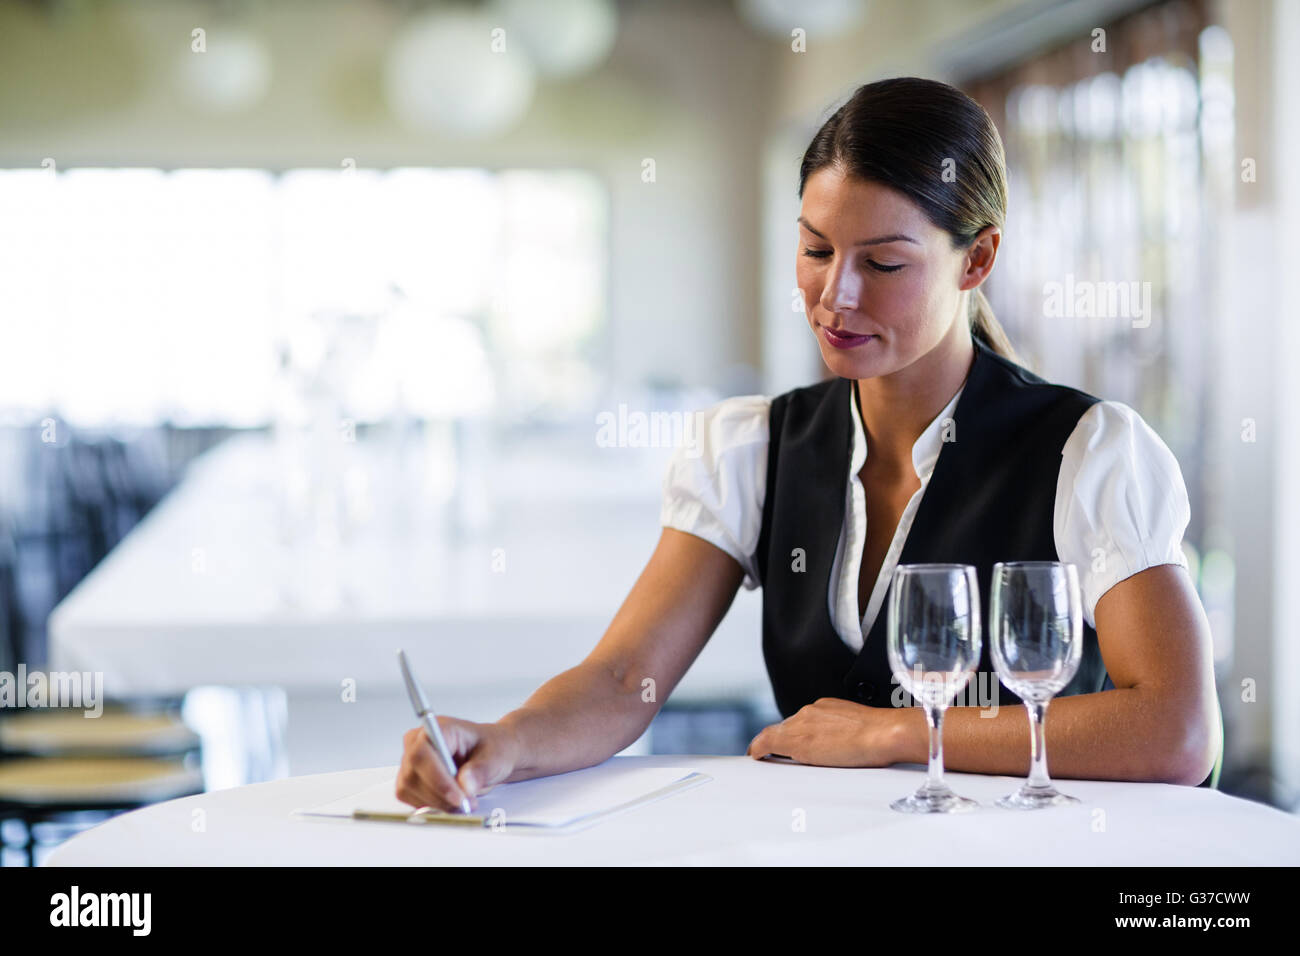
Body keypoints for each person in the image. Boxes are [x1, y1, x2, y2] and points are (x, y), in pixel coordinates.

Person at [396, 77, 1221, 812]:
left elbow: (1177, 729)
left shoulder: (1089, 451)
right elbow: (623, 680)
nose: (835, 296)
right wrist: (505, 744)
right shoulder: (754, 446)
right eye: (816, 250)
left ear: (978, 258)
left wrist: (892, 735)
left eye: (885, 264)